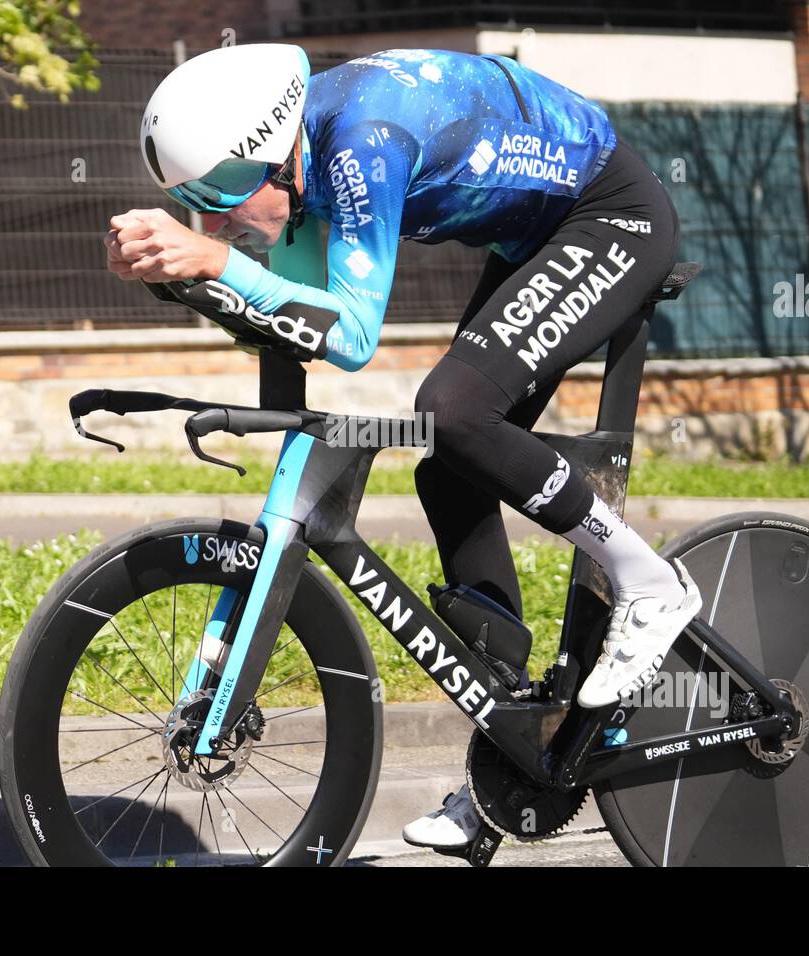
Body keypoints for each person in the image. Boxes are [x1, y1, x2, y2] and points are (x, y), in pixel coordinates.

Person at [106, 43, 703, 851]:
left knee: (453, 412)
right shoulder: (297, 165)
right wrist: (185, 281)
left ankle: (648, 581)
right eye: (190, 203)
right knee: (451, 473)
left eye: (219, 194)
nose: (212, 221)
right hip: (537, 239)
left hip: (613, 218)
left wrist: (214, 263)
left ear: (277, 153)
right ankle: (515, 749)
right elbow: (289, 333)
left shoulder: (361, 144)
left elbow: (349, 335)